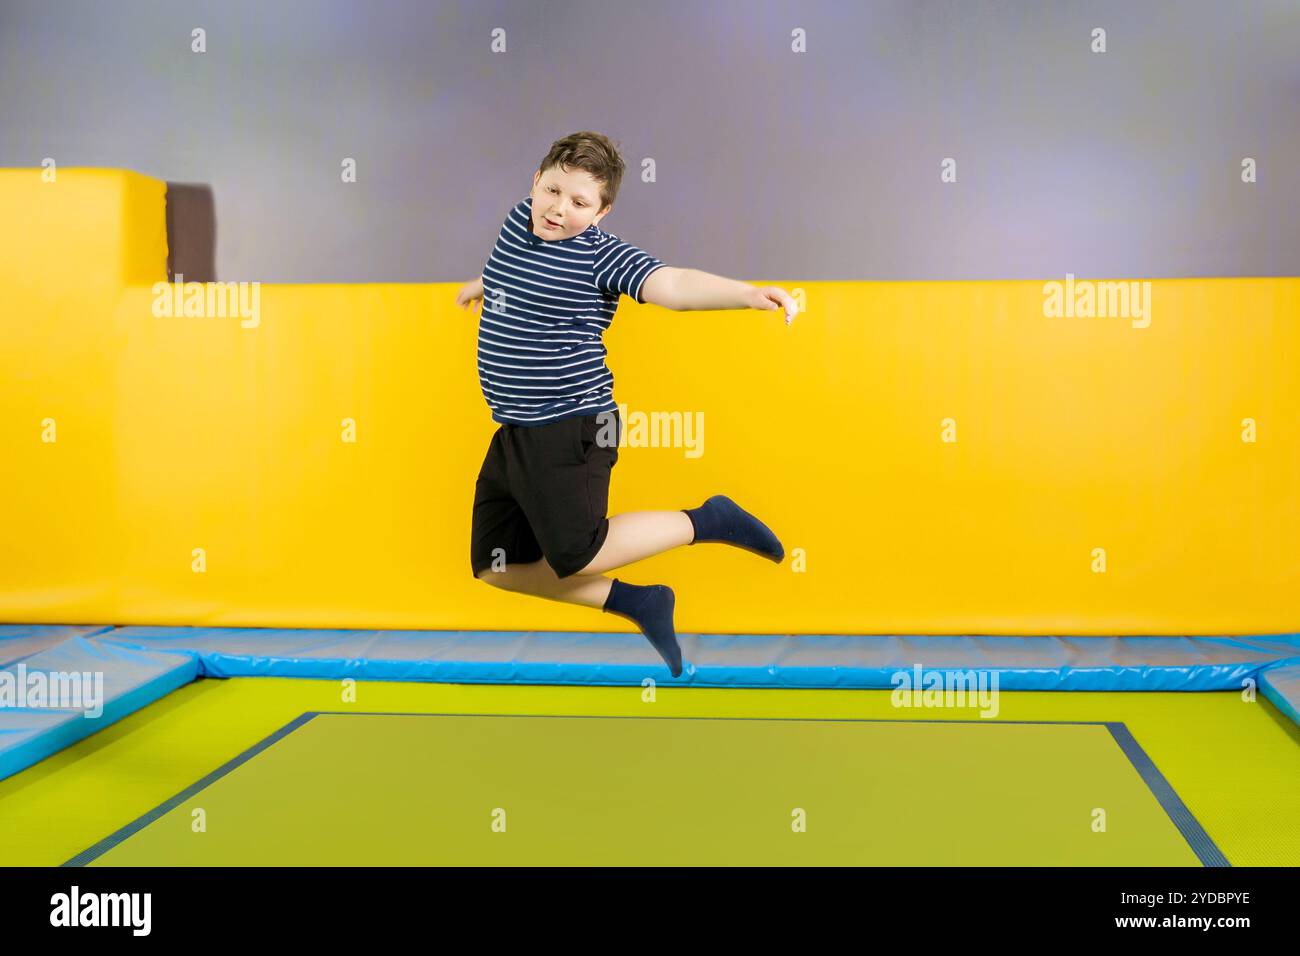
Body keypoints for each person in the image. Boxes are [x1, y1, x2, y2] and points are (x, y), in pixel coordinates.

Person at [455, 131, 796, 677]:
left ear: (602, 211)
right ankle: (639, 602)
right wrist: (485, 285)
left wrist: (747, 294)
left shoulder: (601, 255)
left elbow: (675, 285)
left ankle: (707, 519)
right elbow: (518, 271)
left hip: (572, 424)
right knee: (495, 564)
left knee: (578, 555)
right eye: (552, 191)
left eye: (579, 203)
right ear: (535, 183)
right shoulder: (519, 220)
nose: (558, 210)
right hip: (515, 430)